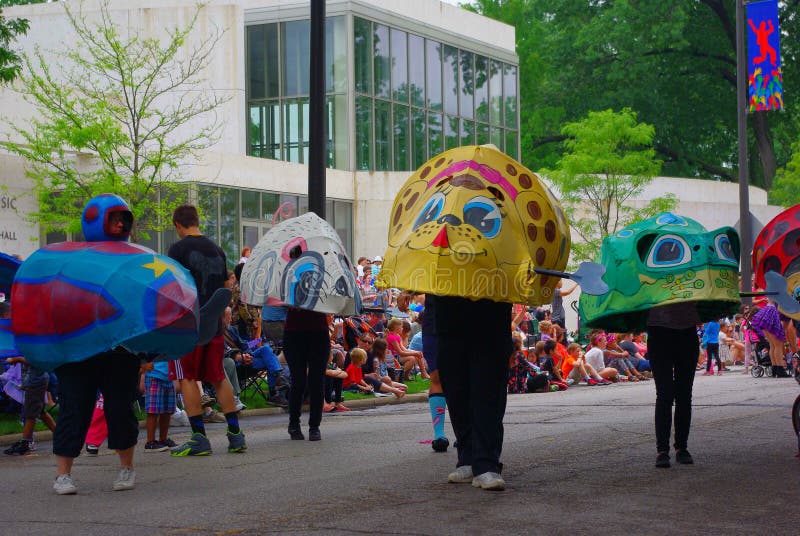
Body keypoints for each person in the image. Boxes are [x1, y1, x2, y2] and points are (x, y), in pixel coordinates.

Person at [52, 194, 141, 494]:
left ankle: (126, 468)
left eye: (123, 219)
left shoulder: (135, 258)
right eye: (113, 218)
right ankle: (63, 475)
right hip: (78, 348)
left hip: (120, 349)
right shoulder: (73, 259)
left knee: (119, 409)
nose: (119, 224)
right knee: (73, 409)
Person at [167, 204, 246, 456]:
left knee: (188, 377)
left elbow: (172, 285)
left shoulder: (177, 249)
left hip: (188, 323)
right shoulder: (217, 250)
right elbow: (225, 287)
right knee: (218, 375)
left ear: (178, 225)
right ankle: (235, 435)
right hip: (213, 323)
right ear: (197, 221)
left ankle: (199, 438)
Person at [437, 295, 511, 491]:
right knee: (456, 390)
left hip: (491, 307)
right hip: (447, 310)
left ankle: (486, 462)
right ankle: (467, 458)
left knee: (488, 389)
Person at [648, 302, 700, 468]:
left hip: (687, 331)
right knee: (664, 394)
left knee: (684, 394)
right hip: (658, 331)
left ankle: (681, 447)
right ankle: (662, 450)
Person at [3, 304, 57, 455]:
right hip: (34, 379)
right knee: (39, 411)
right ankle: (60, 436)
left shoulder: (34, 339)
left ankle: (25, 443)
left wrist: (16, 358)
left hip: (36, 379)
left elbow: (36, 360)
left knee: (30, 414)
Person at [284, 304, 330, 441]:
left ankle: (314, 426)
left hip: (319, 332)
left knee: (316, 381)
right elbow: (277, 299)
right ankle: (294, 424)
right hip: (294, 333)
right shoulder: (290, 282)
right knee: (298, 381)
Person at [142, 360, 177, 452]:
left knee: (167, 410)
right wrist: (143, 364)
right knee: (153, 410)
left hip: (169, 376)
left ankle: (163, 439)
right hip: (154, 375)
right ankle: (150, 442)